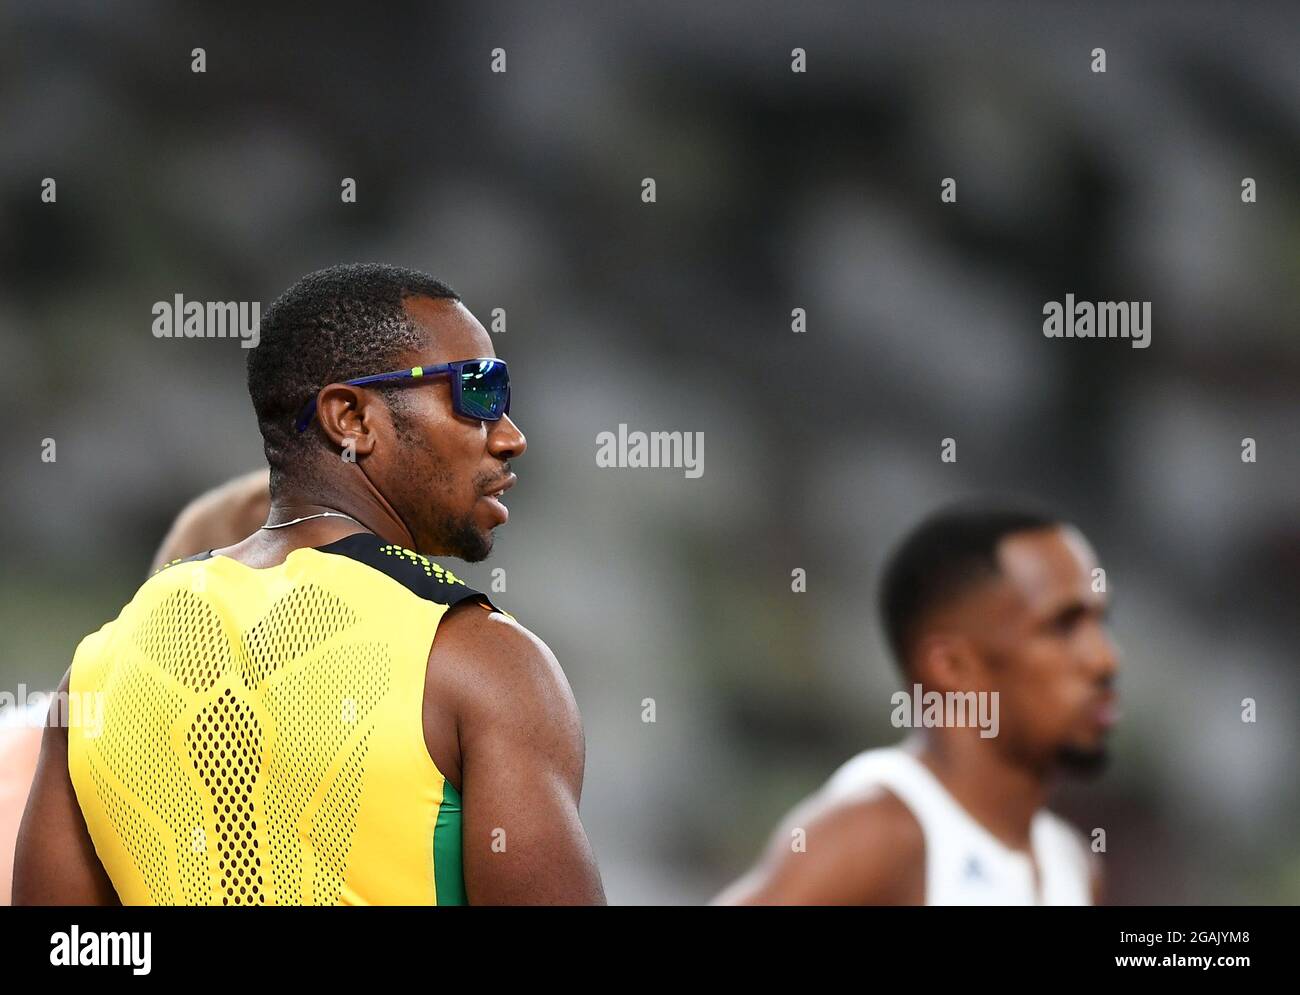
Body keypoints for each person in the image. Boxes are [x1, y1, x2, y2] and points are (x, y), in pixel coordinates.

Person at [14, 263, 605, 905]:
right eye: (479, 392)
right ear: (350, 417)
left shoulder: (99, 667)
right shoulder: (483, 663)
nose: (510, 437)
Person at [716, 506, 1117, 905]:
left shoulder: (1073, 865)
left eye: (1101, 622)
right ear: (951, 666)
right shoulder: (877, 834)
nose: (1105, 659)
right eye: (1063, 626)